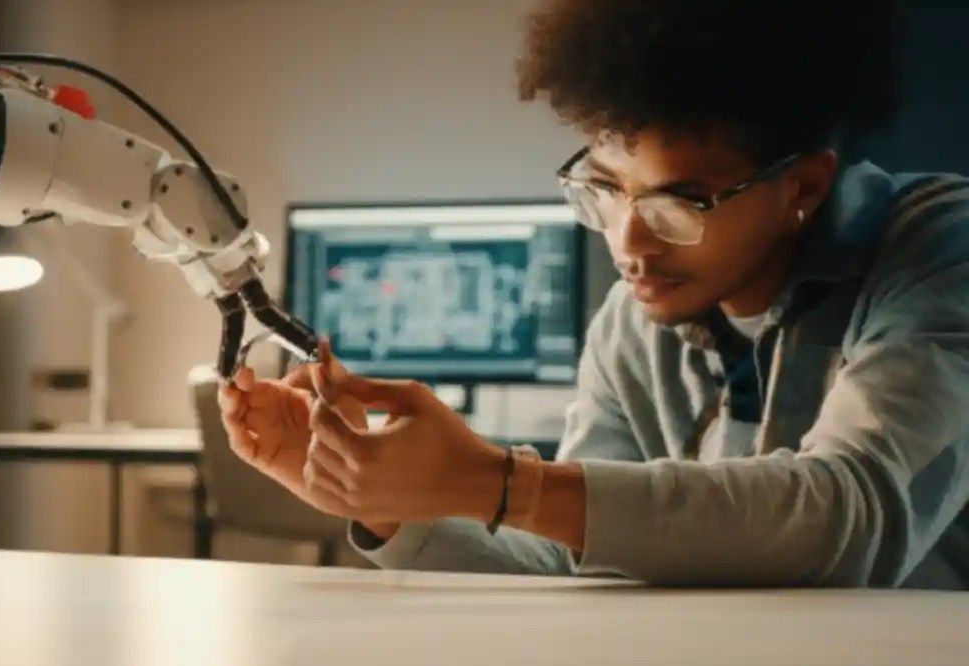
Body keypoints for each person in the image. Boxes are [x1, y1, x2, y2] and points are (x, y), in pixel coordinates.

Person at [220, 0, 969, 588]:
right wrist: (383, 503)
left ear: (802, 187)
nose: (628, 245)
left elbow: (845, 523)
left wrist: (498, 481)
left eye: (680, 205)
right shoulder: (632, 325)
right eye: (606, 191)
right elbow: (572, 563)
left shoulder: (938, 249)